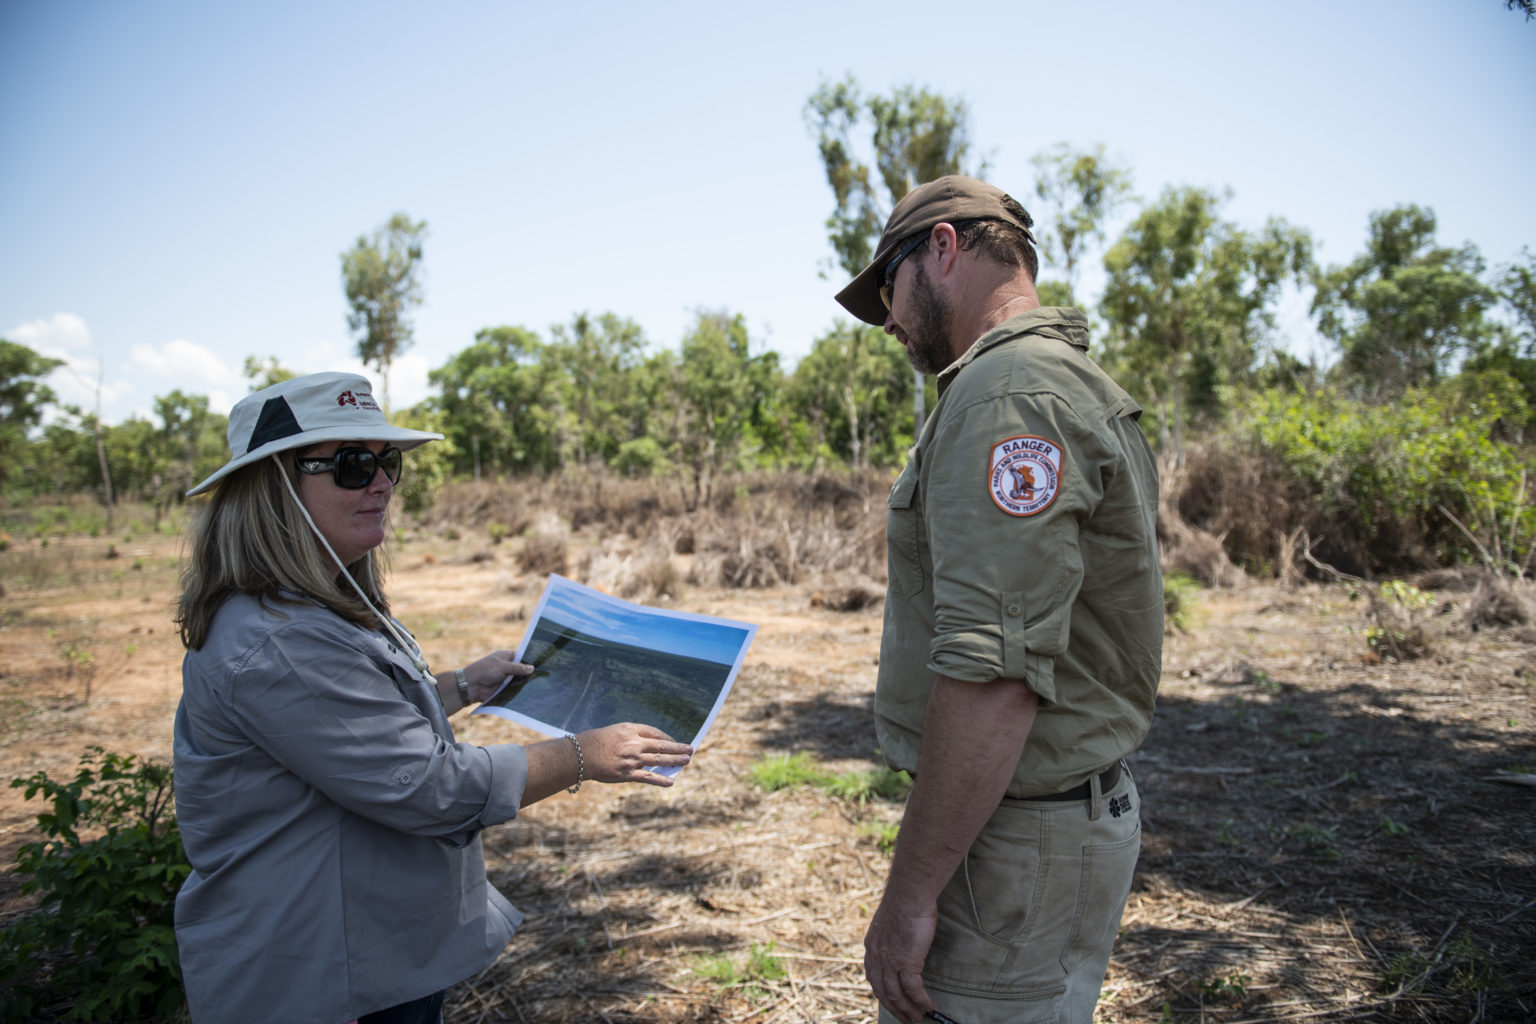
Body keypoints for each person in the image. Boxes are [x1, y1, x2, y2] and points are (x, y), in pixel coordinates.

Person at [171, 372, 693, 1024]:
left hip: (367, 951)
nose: (382, 481)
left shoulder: (307, 608)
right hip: (322, 974)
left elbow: (352, 724)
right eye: (353, 465)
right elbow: (423, 786)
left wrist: (459, 687)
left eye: (387, 461)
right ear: (273, 487)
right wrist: (581, 756)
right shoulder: (277, 641)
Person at [834, 176, 1163, 1024]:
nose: (891, 323)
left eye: (888, 292)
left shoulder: (1009, 394)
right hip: (1045, 827)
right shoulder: (1062, 378)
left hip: (1015, 849)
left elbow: (996, 674)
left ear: (941, 249)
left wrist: (909, 897)